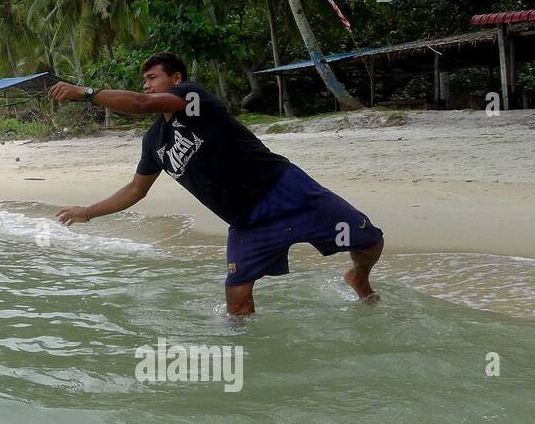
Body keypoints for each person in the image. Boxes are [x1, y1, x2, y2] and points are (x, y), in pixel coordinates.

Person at [47, 51, 383, 315]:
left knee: (369, 241)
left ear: (176, 79)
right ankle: (249, 364)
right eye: (144, 80)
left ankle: (358, 278)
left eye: (153, 78)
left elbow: (140, 104)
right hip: (246, 222)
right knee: (237, 303)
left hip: (286, 190)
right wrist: (87, 212)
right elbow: (136, 190)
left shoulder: (193, 100)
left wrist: (87, 93)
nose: (147, 85)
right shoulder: (154, 142)